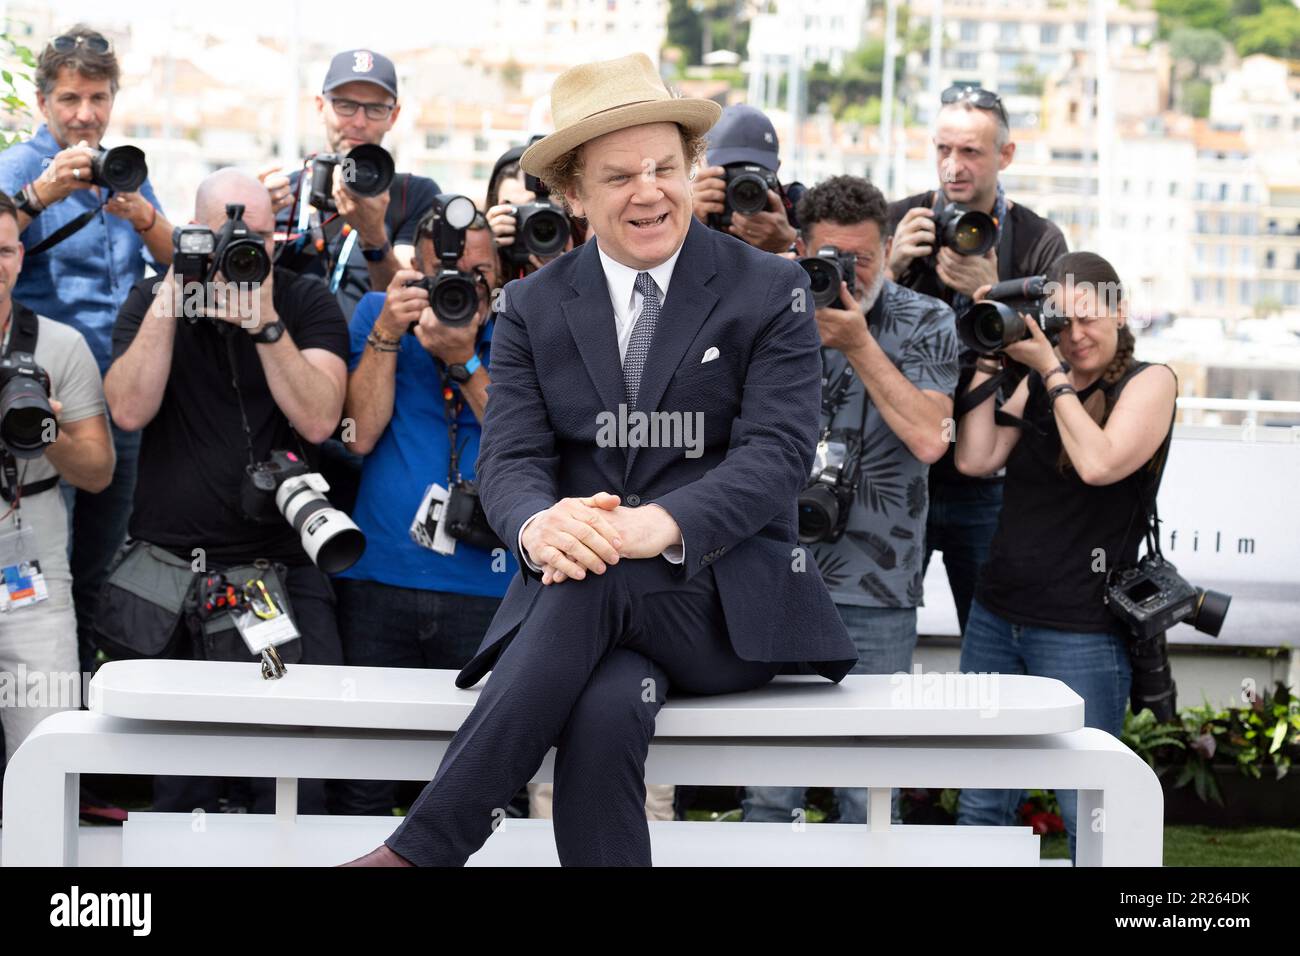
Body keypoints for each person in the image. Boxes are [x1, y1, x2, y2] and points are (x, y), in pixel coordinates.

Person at [343, 52, 856, 867]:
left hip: (725, 605)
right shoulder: (531, 306)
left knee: (603, 570)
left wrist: (657, 526)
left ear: (693, 170)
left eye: (664, 167)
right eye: (619, 177)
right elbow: (509, 462)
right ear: (574, 196)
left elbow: (780, 457)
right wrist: (540, 526)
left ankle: (423, 852)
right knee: (605, 706)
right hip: (586, 611)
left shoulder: (769, 289)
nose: (648, 191)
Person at [103, 169, 349, 814]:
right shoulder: (155, 297)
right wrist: (172, 294)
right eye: (230, 238)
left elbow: (323, 418)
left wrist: (266, 324)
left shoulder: (303, 300)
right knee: (176, 784)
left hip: (275, 577)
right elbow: (127, 409)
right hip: (168, 577)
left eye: (263, 238)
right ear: (193, 235)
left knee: (289, 770)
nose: (249, 251)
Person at [742, 175, 958, 825]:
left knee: (867, 790)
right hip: (776, 574)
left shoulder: (928, 319)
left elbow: (930, 438)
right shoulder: (766, 312)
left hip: (879, 586)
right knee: (769, 787)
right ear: (803, 247)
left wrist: (858, 342)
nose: (847, 274)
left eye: (862, 259)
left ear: (888, 250)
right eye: (831, 257)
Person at [952, 251, 1176, 860]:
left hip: (1082, 628)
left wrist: (1050, 371)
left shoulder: (1149, 381)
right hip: (996, 615)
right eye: (1063, 322)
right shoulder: (1038, 380)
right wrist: (988, 358)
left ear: (1120, 311)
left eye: (1089, 320)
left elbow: (1099, 463)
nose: (1075, 337)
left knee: (1089, 811)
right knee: (981, 804)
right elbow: (975, 459)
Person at [0, 24, 173, 675]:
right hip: (36, 387)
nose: (84, 115)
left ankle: (88, 726)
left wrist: (146, 218)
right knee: (44, 561)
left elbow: (173, 258)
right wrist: (44, 192)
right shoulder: (22, 165)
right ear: (44, 102)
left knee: (103, 559)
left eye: (97, 99)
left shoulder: (119, 161)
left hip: (117, 395)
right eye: (71, 99)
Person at [330, 206, 515, 815]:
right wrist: (387, 331)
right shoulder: (377, 315)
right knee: (364, 771)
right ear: (419, 270)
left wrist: (465, 362)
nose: (462, 286)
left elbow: (526, 443)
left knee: (474, 772)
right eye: (446, 273)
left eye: (478, 272)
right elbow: (357, 434)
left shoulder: (524, 329)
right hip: (381, 573)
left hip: (486, 585)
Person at [887, 85, 1068, 637]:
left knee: (992, 633)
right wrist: (889, 269)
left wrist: (992, 292)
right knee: (878, 628)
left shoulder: (1037, 238)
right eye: (943, 149)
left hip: (988, 472)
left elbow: (1058, 351)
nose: (952, 167)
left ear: (1004, 156)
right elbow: (839, 334)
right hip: (896, 466)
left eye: (970, 152)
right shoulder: (898, 219)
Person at [0, 190, 115, 765]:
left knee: (44, 749)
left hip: (31, 567)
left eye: (1, 251)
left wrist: (48, 431)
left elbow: (98, 474)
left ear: (19, 257)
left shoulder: (60, 345)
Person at [262, 48, 439, 321]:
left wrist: (374, 237)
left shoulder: (413, 195)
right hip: (285, 353)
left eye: (376, 109)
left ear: (393, 116)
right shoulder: (283, 193)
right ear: (321, 107)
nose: (359, 122)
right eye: (345, 105)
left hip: (376, 355)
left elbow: (411, 306)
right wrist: (252, 221)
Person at [692, 104, 798, 253]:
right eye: (730, 172)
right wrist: (690, 225)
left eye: (755, 171)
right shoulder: (681, 210)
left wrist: (789, 241)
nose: (743, 184)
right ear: (701, 165)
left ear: (776, 169)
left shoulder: (799, 206)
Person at [484, 144, 586, 282]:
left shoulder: (595, 254)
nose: (527, 221)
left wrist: (566, 274)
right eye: (513, 210)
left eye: (534, 206)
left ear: (566, 205)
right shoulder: (488, 259)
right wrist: (485, 248)